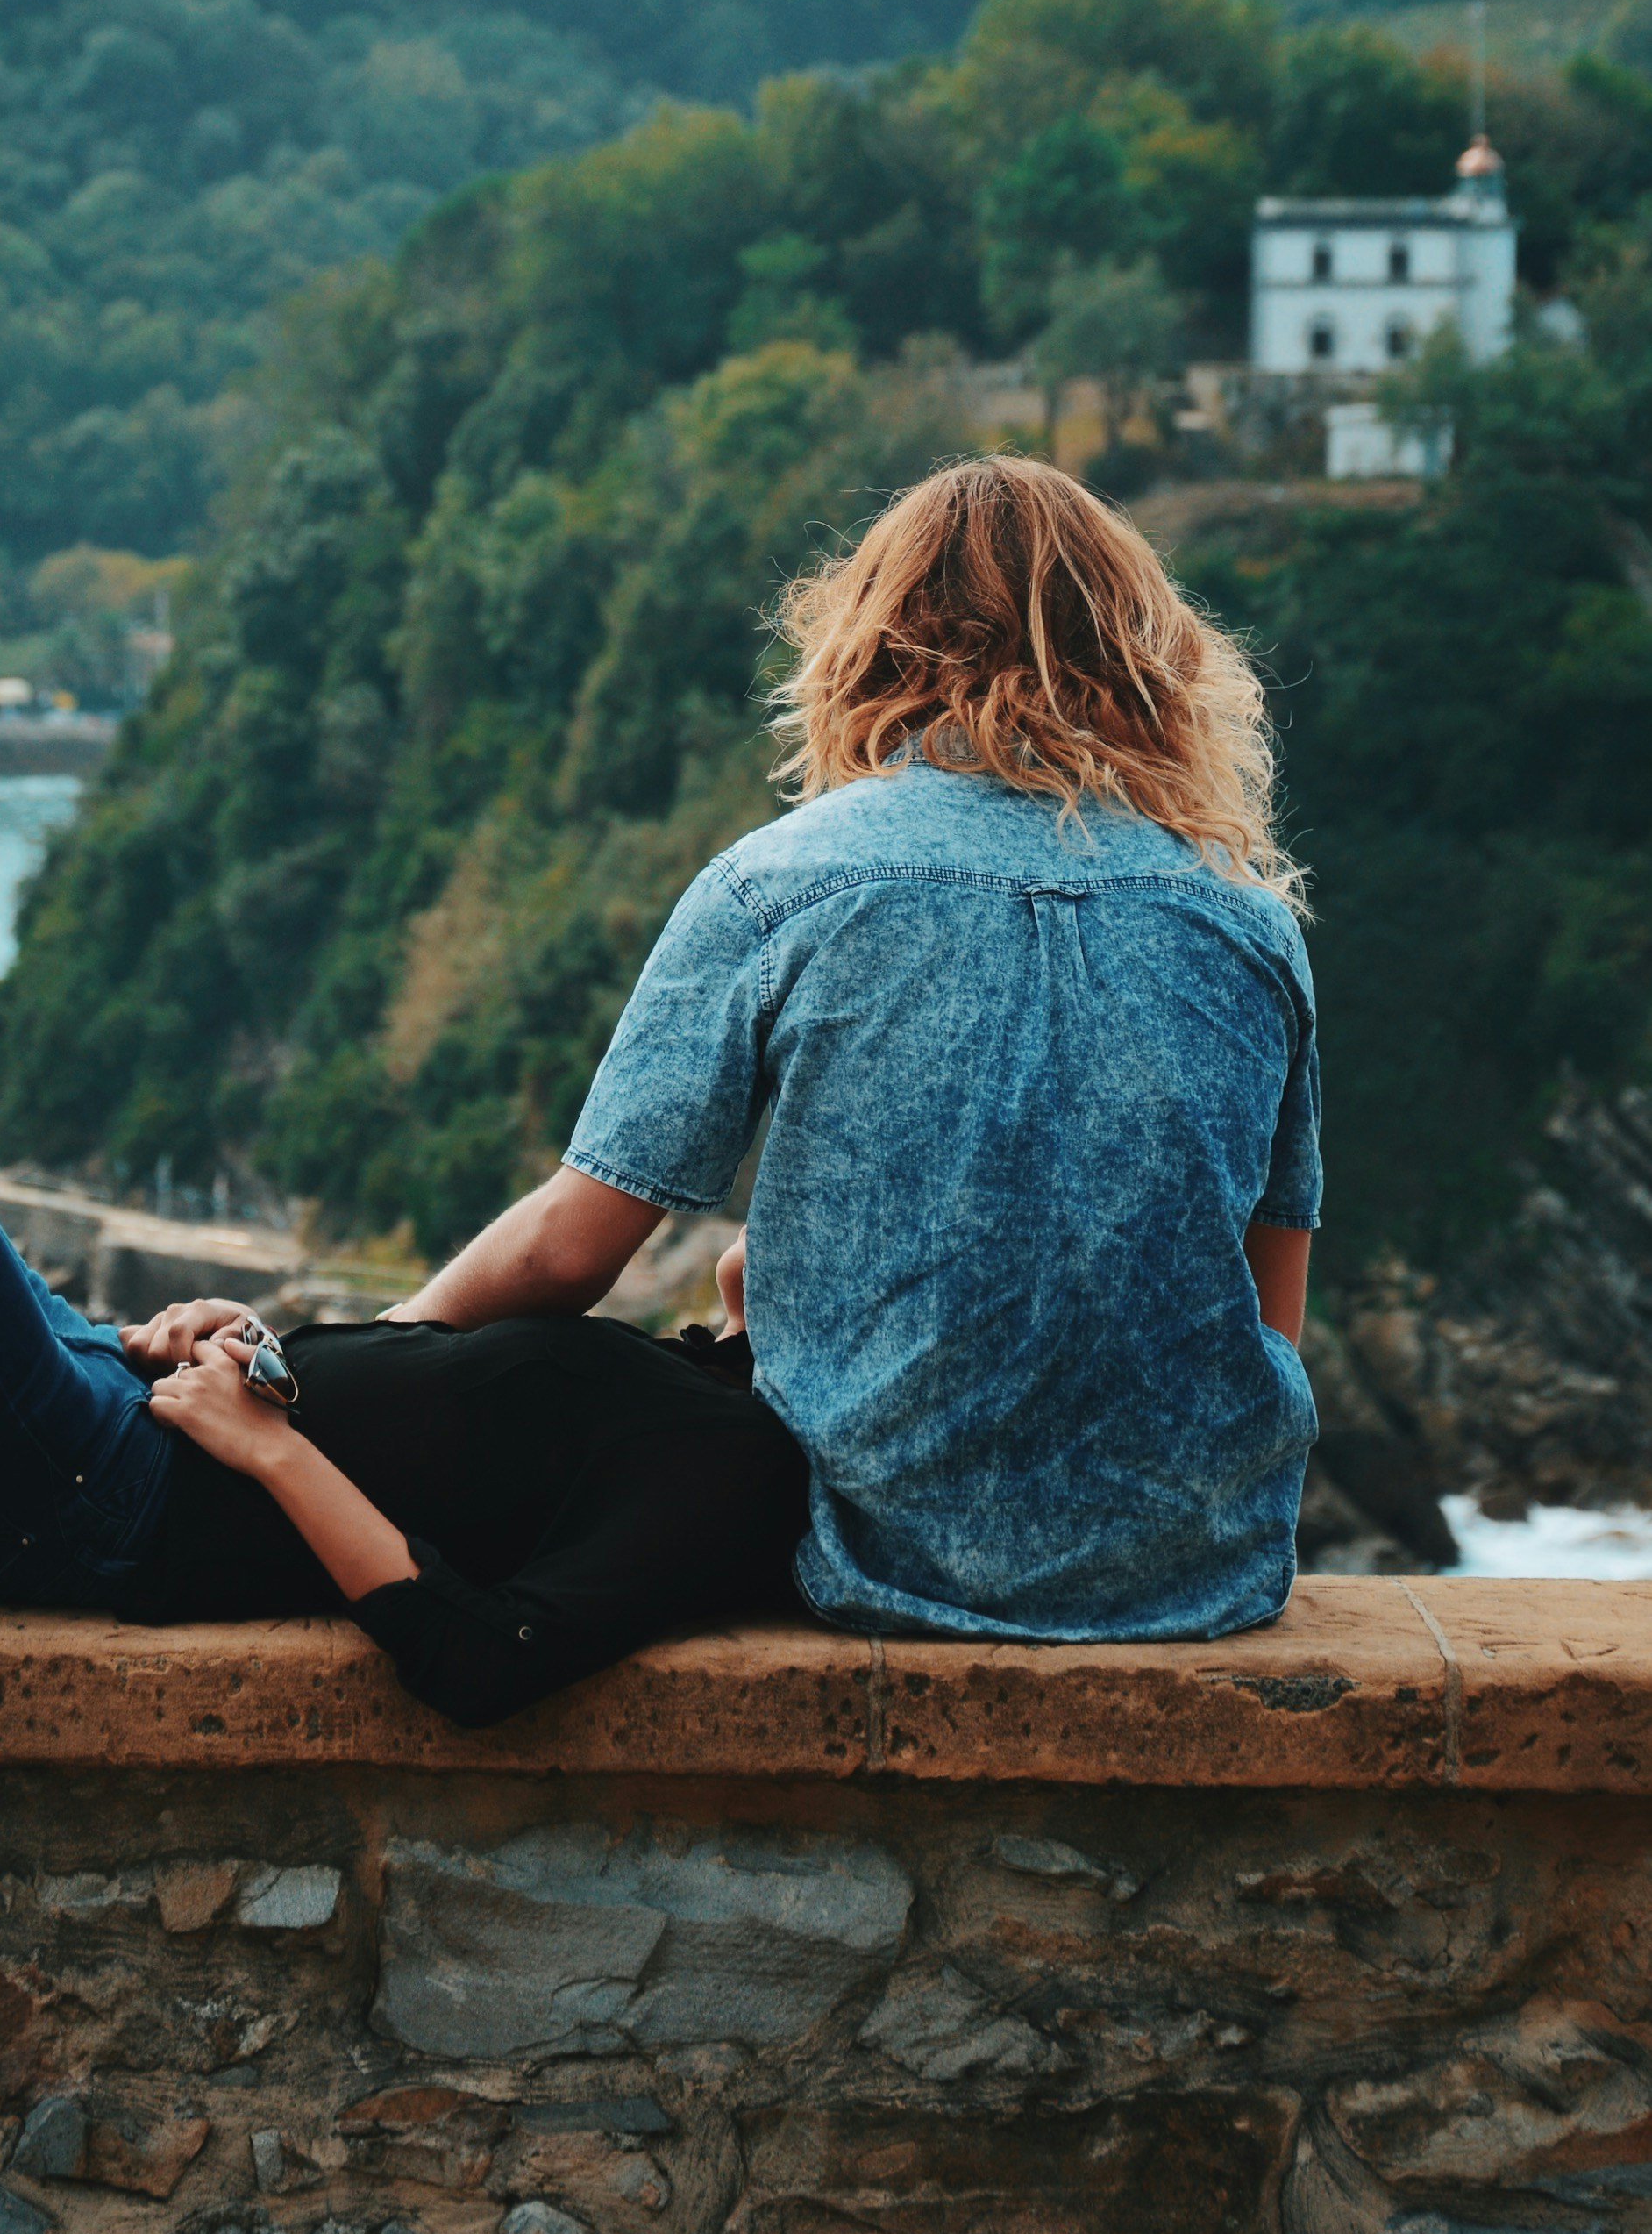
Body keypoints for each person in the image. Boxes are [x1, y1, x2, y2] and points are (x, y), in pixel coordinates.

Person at [379, 453, 1321, 1644]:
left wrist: (370, 1355)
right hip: (1200, 1572)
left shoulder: (782, 883)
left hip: (876, 1563)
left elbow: (567, 1255)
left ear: (875, 642)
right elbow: (1263, 1316)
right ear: (1143, 654)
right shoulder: (1245, 920)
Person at [0, 954, 802, 1724]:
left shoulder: (734, 1469)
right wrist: (252, 1347)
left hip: (109, 1503)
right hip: (128, 1406)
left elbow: (484, 1662)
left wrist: (269, 1451)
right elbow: (430, 1425)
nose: (770, 1232)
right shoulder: (702, 1383)